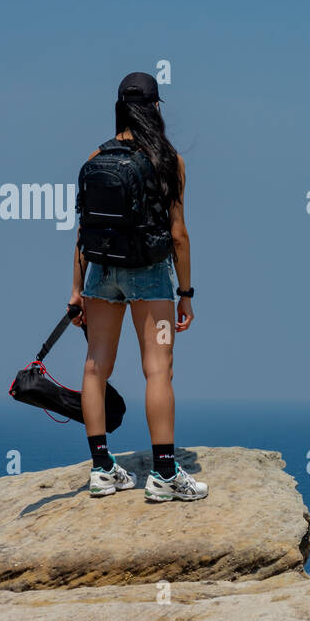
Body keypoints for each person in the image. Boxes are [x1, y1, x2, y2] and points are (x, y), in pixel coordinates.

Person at [68, 72, 207, 501]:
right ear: (156, 108)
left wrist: (76, 291)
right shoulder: (168, 161)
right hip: (150, 276)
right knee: (158, 368)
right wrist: (186, 294)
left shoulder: (96, 157)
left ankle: (102, 469)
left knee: (95, 366)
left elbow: (83, 232)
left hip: (100, 275)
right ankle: (164, 473)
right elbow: (178, 234)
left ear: (120, 109)